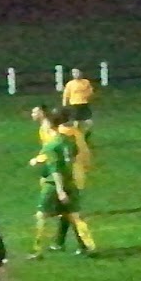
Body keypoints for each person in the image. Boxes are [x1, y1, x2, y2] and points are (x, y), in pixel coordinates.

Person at [28, 109, 95, 259]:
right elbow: (78, 154)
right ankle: (88, 246)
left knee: (41, 215)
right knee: (74, 215)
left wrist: (59, 190)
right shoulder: (69, 140)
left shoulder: (51, 146)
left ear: (51, 126)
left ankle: (37, 250)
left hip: (53, 184)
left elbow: (55, 169)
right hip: (72, 180)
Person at [62, 66, 96, 141]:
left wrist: (88, 96)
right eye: (73, 73)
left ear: (81, 73)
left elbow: (90, 92)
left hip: (84, 104)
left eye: (77, 72)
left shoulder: (86, 82)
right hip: (74, 105)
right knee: (76, 123)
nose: (75, 74)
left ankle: (84, 136)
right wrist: (64, 105)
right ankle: (77, 138)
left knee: (89, 122)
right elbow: (66, 95)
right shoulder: (70, 84)